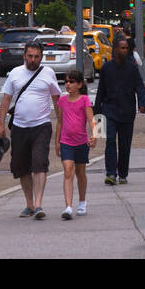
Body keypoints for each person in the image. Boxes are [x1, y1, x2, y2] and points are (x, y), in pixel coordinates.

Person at [0, 39, 62, 219]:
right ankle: (30, 204)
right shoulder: (15, 73)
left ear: (42, 57)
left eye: (37, 57)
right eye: (30, 56)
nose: (33, 60)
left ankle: (39, 204)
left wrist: (62, 126)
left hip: (41, 125)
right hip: (19, 126)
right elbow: (5, 101)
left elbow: (57, 101)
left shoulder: (48, 73)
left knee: (39, 162)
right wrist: (1, 124)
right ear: (24, 55)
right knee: (21, 166)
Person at [94, 35, 145, 184]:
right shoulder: (106, 68)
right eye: (122, 48)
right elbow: (101, 92)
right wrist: (96, 114)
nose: (125, 51)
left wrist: (142, 103)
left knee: (124, 144)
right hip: (109, 110)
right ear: (115, 49)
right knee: (110, 141)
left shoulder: (132, 68)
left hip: (127, 111)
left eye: (126, 48)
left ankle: (123, 173)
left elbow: (139, 87)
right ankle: (111, 173)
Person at [54, 68, 97, 218]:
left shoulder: (84, 100)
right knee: (67, 170)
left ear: (79, 84)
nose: (68, 84)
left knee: (80, 173)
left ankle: (82, 202)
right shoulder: (62, 101)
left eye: (71, 82)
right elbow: (59, 122)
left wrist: (94, 135)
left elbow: (91, 120)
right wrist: (57, 141)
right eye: (66, 81)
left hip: (81, 142)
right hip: (66, 141)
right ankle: (68, 207)